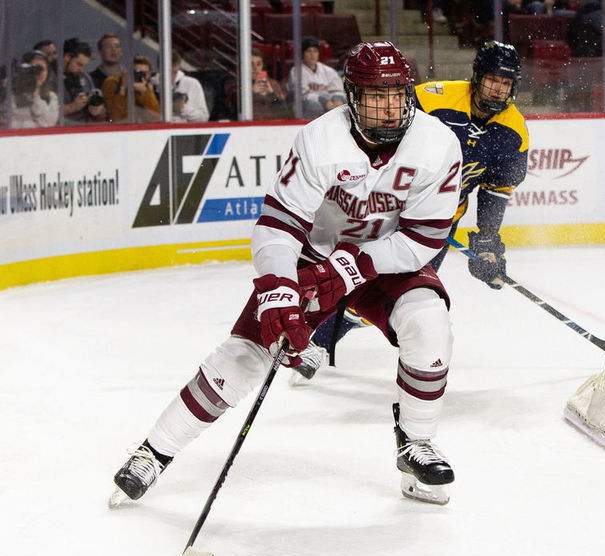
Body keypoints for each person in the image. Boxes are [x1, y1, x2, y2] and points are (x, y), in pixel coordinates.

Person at [109, 41, 463, 508]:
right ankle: (154, 452)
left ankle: (416, 443)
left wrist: (358, 264)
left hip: (388, 262)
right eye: (376, 96)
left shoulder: (437, 144)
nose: (389, 107)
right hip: (313, 261)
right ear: (351, 96)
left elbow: (424, 239)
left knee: (429, 321)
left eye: (397, 93)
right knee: (244, 357)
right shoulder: (322, 139)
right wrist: (277, 288)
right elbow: (278, 224)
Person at [291, 40, 529, 385]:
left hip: (434, 222)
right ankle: (311, 338)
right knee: (349, 274)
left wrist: (488, 240)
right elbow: (379, 129)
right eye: (493, 79)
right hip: (385, 206)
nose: (498, 88)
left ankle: (332, 340)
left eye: (506, 83)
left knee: (402, 288)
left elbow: (494, 190)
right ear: (476, 76)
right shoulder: (433, 98)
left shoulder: (514, 130)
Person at [286, 36, 346, 119]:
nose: (312, 55)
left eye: (315, 51)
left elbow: (337, 89)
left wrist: (337, 98)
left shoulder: (327, 70)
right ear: (303, 54)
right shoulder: (296, 71)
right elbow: (302, 95)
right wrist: (324, 101)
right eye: (309, 51)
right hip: (306, 108)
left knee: (343, 103)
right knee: (313, 105)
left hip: (330, 105)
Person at [150, 49, 209, 123]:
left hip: (183, 132)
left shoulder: (192, 84)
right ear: (159, 69)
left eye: (174, 72)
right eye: (166, 73)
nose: (170, 77)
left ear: (178, 68)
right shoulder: (151, 85)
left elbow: (203, 118)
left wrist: (183, 108)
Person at [61, 38, 108, 125]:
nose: (82, 70)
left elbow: (99, 113)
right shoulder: (49, 77)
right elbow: (42, 113)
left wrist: (97, 110)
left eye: (84, 66)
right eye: (79, 64)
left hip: (85, 130)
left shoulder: (85, 78)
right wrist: (71, 107)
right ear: (67, 57)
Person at [102, 53, 160, 123]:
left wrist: (145, 93)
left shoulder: (148, 88)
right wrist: (122, 88)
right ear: (128, 72)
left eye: (144, 73)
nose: (140, 77)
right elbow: (115, 118)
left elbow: (155, 119)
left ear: (150, 74)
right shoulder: (112, 83)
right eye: (136, 73)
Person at [11, 51, 59, 128]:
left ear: (48, 72)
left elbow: (48, 123)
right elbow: (6, 120)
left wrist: (35, 95)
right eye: (32, 70)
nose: (38, 74)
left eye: (41, 69)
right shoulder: (11, 94)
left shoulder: (51, 96)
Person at [248, 49, 288, 119]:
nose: (255, 68)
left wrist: (272, 94)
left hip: (272, 125)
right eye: (251, 64)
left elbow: (284, 112)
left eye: (259, 64)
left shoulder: (272, 83)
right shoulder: (237, 84)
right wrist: (252, 93)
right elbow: (233, 112)